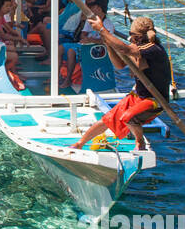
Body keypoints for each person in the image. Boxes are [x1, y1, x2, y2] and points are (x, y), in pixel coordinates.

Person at [71, 16, 171, 152]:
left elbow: (126, 50)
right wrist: (108, 44)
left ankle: (139, 142)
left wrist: (102, 29)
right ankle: (80, 143)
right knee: (106, 120)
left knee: (128, 117)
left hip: (154, 99)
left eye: (131, 36)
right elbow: (119, 65)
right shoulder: (138, 48)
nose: (131, 40)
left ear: (137, 37)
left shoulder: (153, 49)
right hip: (137, 96)